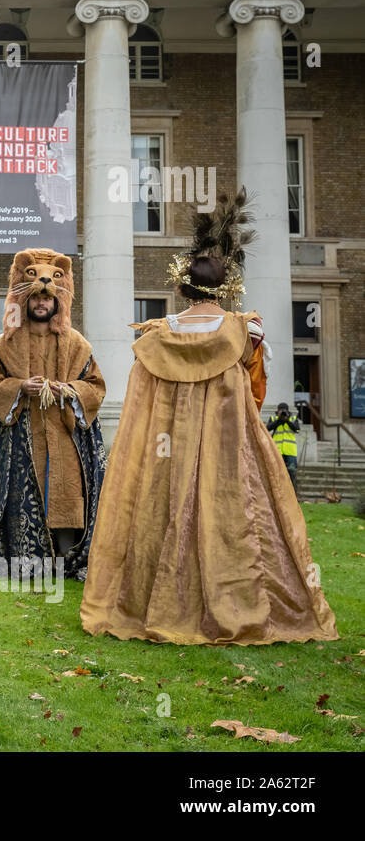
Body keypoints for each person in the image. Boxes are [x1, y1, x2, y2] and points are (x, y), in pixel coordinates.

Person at [82, 190, 336, 644]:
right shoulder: (246, 330)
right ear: (226, 288)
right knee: (238, 518)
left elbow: (142, 401)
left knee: (162, 516)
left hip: (168, 451)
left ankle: (157, 603)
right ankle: (239, 602)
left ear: (182, 287)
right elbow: (258, 389)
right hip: (227, 445)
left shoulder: (158, 335)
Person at [0, 249, 106, 580]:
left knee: (68, 495)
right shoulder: (7, 344)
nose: (41, 304)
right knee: (26, 495)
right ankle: (28, 558)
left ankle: (68, 557)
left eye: (47, 300)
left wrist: (70, 390)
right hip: (25, 435)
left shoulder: (78, 344)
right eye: (35, 300)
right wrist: (19, 387)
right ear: (26, 301)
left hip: (66, 435)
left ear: (57, 301)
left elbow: (96, 385)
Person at [266, 402, 300, 489]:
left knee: (291, 473)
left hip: (290, 451)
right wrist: (279, 420)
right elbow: (267, 428)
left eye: (284, 410)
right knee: (276, 473)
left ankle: (293, 494)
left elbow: (297, 429)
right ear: (277, 411)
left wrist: (287, 420)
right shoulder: (274, 418)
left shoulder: (293, 418)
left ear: (288, 411)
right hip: (277, 451)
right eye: (281, 410)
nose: (283, 412)